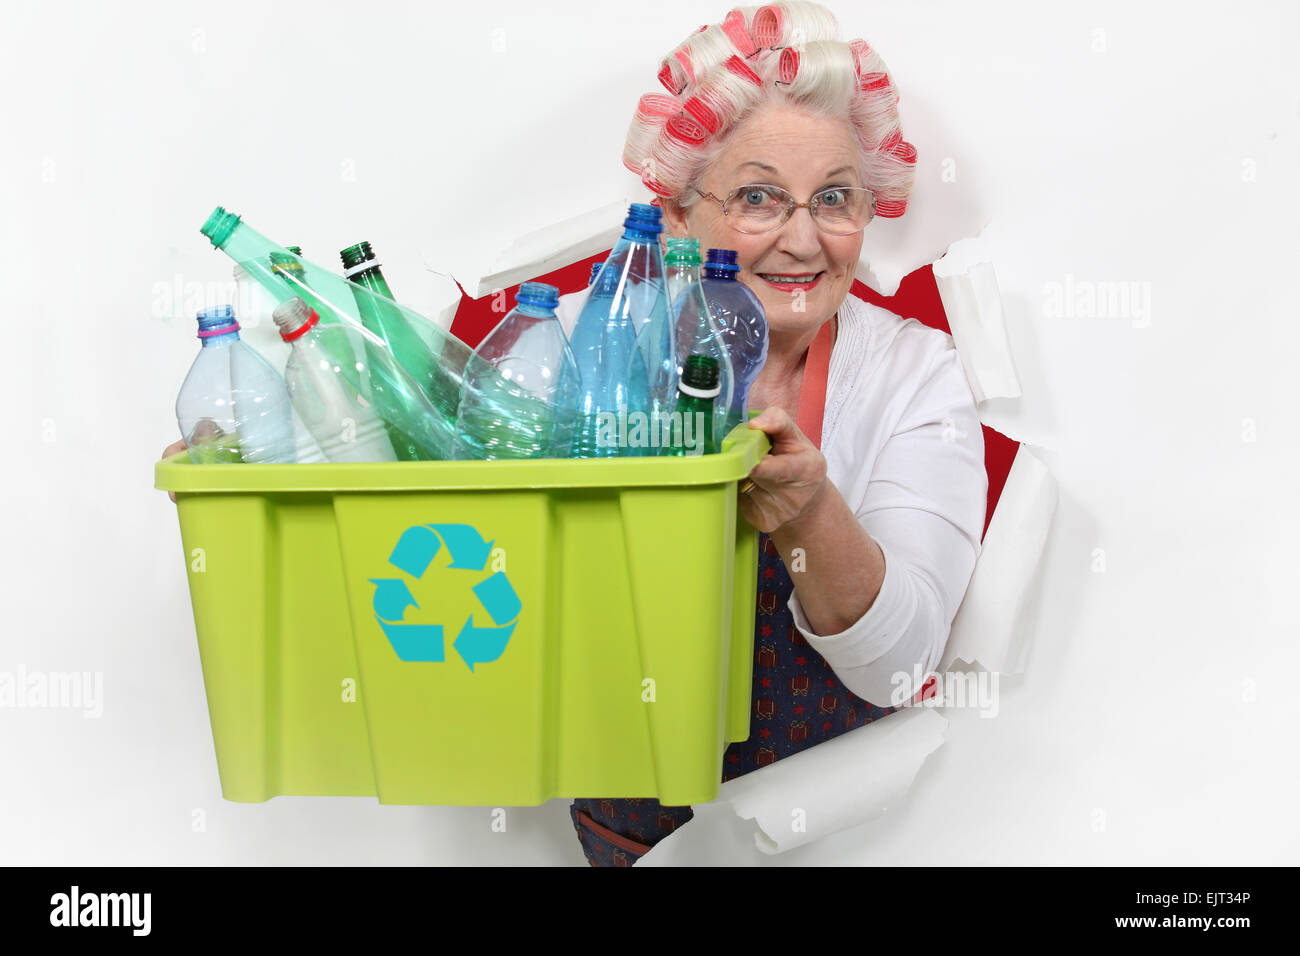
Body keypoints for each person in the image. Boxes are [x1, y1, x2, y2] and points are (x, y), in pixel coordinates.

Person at [560, 1, 987, 865]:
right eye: (758, 197)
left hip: (846, 835)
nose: (802, 240)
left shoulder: (916, 375)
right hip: (631, 839)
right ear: (679, 215)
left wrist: (808, 512)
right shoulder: (581, 343)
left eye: (833, 198)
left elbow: (900, 670)